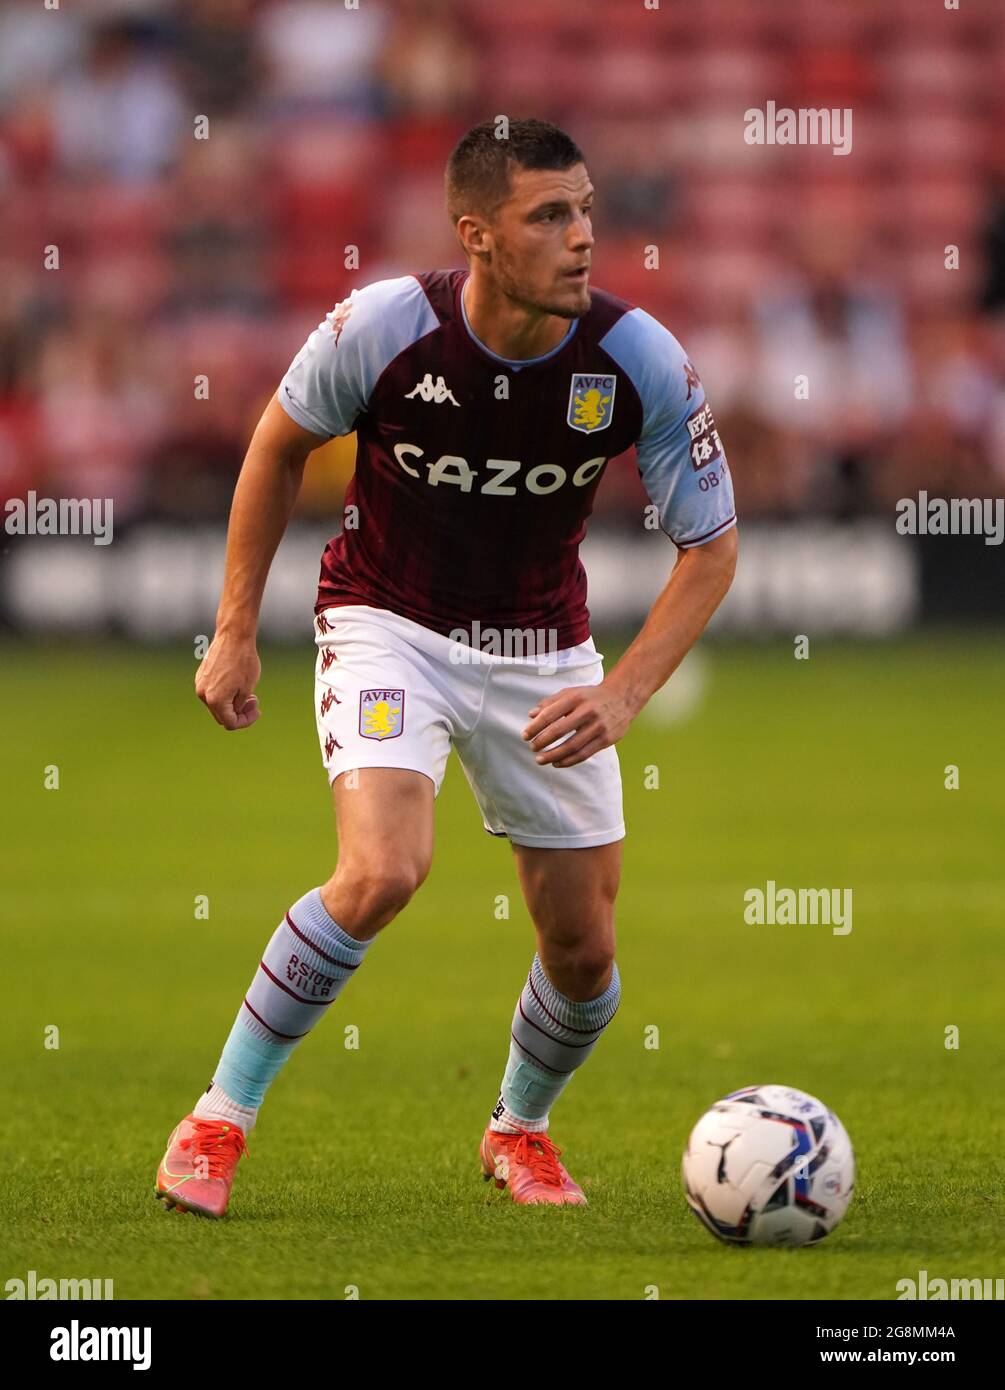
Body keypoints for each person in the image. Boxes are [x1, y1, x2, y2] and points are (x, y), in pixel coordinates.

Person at [155, 118, 737, 1217]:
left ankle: (519, 1129)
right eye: (550, 216)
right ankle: (217, 1119)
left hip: (542, 648)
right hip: (389, 619)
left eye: (588, 211)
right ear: (476, 233)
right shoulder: (383, 329)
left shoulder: (636, 357)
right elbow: (275, 447)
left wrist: (622, 692)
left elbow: (710, 546)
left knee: (585, 950)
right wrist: (233, 628)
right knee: (382, 871)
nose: (582, 239)